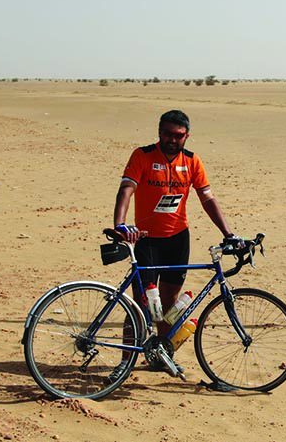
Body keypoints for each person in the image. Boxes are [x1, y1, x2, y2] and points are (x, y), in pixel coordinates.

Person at [110, 109, 236, 380]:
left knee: (168, 304)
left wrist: (228, 233)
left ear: (186, 136)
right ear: (159, 132)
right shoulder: (142, 155)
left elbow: (207, 199)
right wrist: (120, 224)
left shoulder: (192, 161)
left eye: (178, 136)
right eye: (167, 134)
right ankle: (125, 361)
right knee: (141, 306)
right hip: (145, 239)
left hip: (178, 238)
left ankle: (161, 356)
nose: (172, 140)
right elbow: (126, 189)